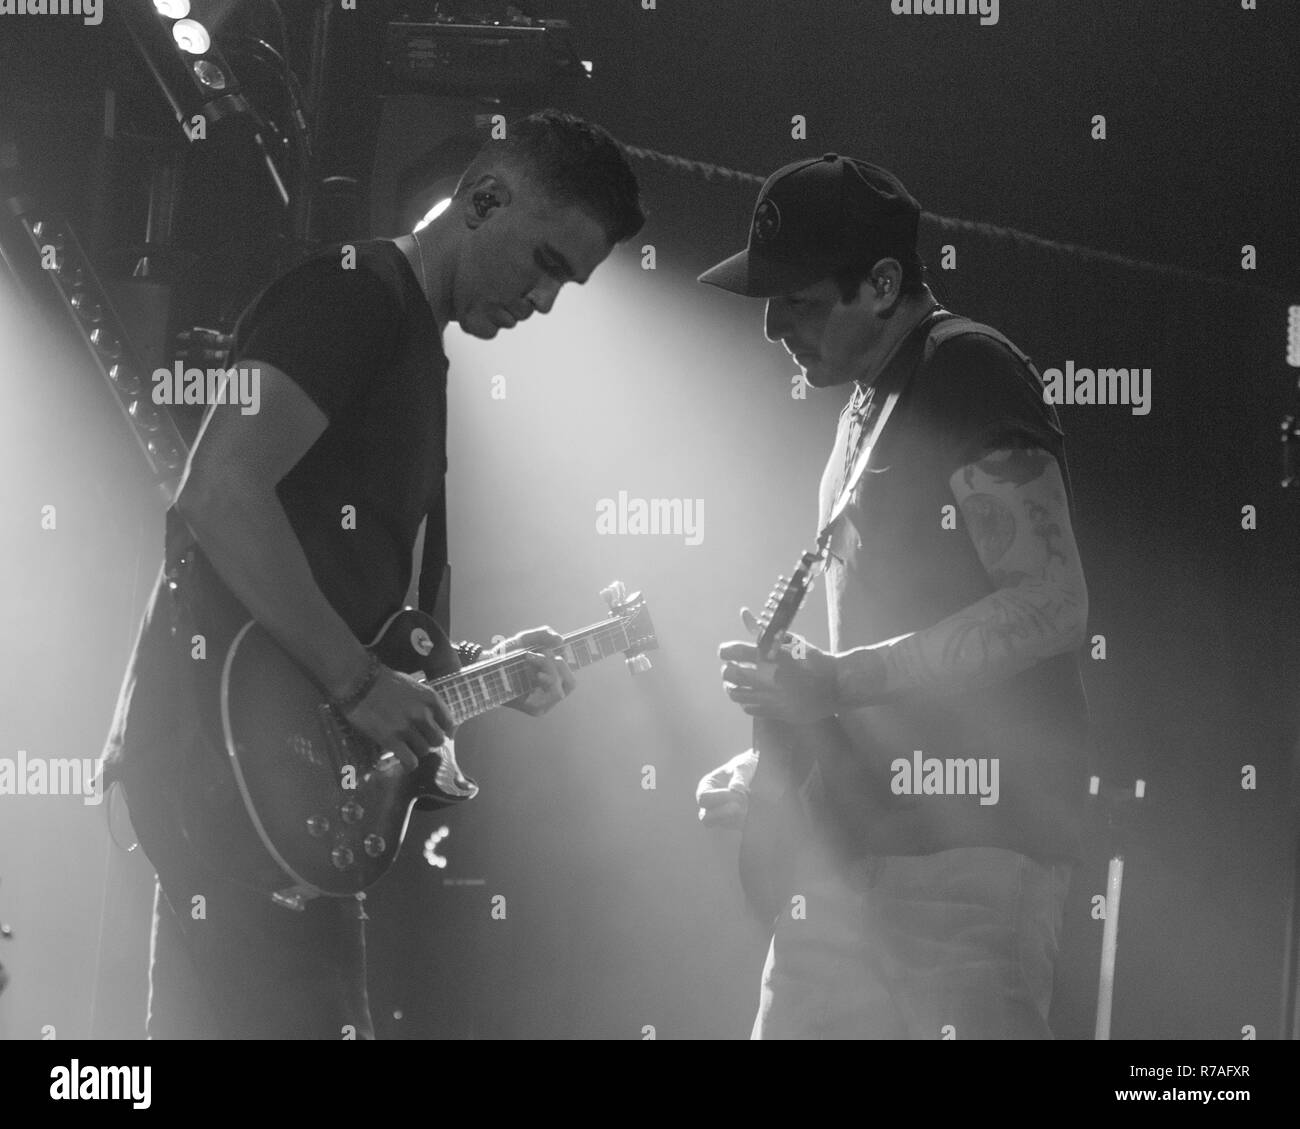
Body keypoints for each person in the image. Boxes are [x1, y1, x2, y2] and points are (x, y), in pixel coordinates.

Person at [98, 109, 645, 1039]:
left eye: (571, 284)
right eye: (548, 263)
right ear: (483, 198)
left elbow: (351, 600)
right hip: (237, 778)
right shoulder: (355, 295)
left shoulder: (411, 342)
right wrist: (356, 684)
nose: (547, 301)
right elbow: (221, 492)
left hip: (281, 795)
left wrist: (471, 663)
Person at [695, 153, 1089, 1039]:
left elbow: (1053, 602)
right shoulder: (864, 405)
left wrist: (835, 683)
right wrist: (784, 757)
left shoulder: (968, 368)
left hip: (971, 851)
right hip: (846, 856)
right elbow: (866, 657)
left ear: (880, 283)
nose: (770, 327)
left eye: (795, 297)